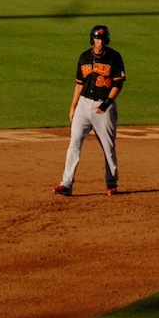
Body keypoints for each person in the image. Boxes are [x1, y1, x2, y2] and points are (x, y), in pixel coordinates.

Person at [53, 24, 126, 197]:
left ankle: (111, 183)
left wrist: (108, 102)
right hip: (84, 105)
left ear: (106, 40)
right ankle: (66, 183)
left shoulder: (114, 57)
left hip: (104, 108)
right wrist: (73, 107)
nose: (99, 41)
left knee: (108, 147)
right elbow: (79, 84)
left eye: (102, 38)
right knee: (74, 145)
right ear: (92, 39)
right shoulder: (84, 57)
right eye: (96, 38)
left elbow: (118, 83)